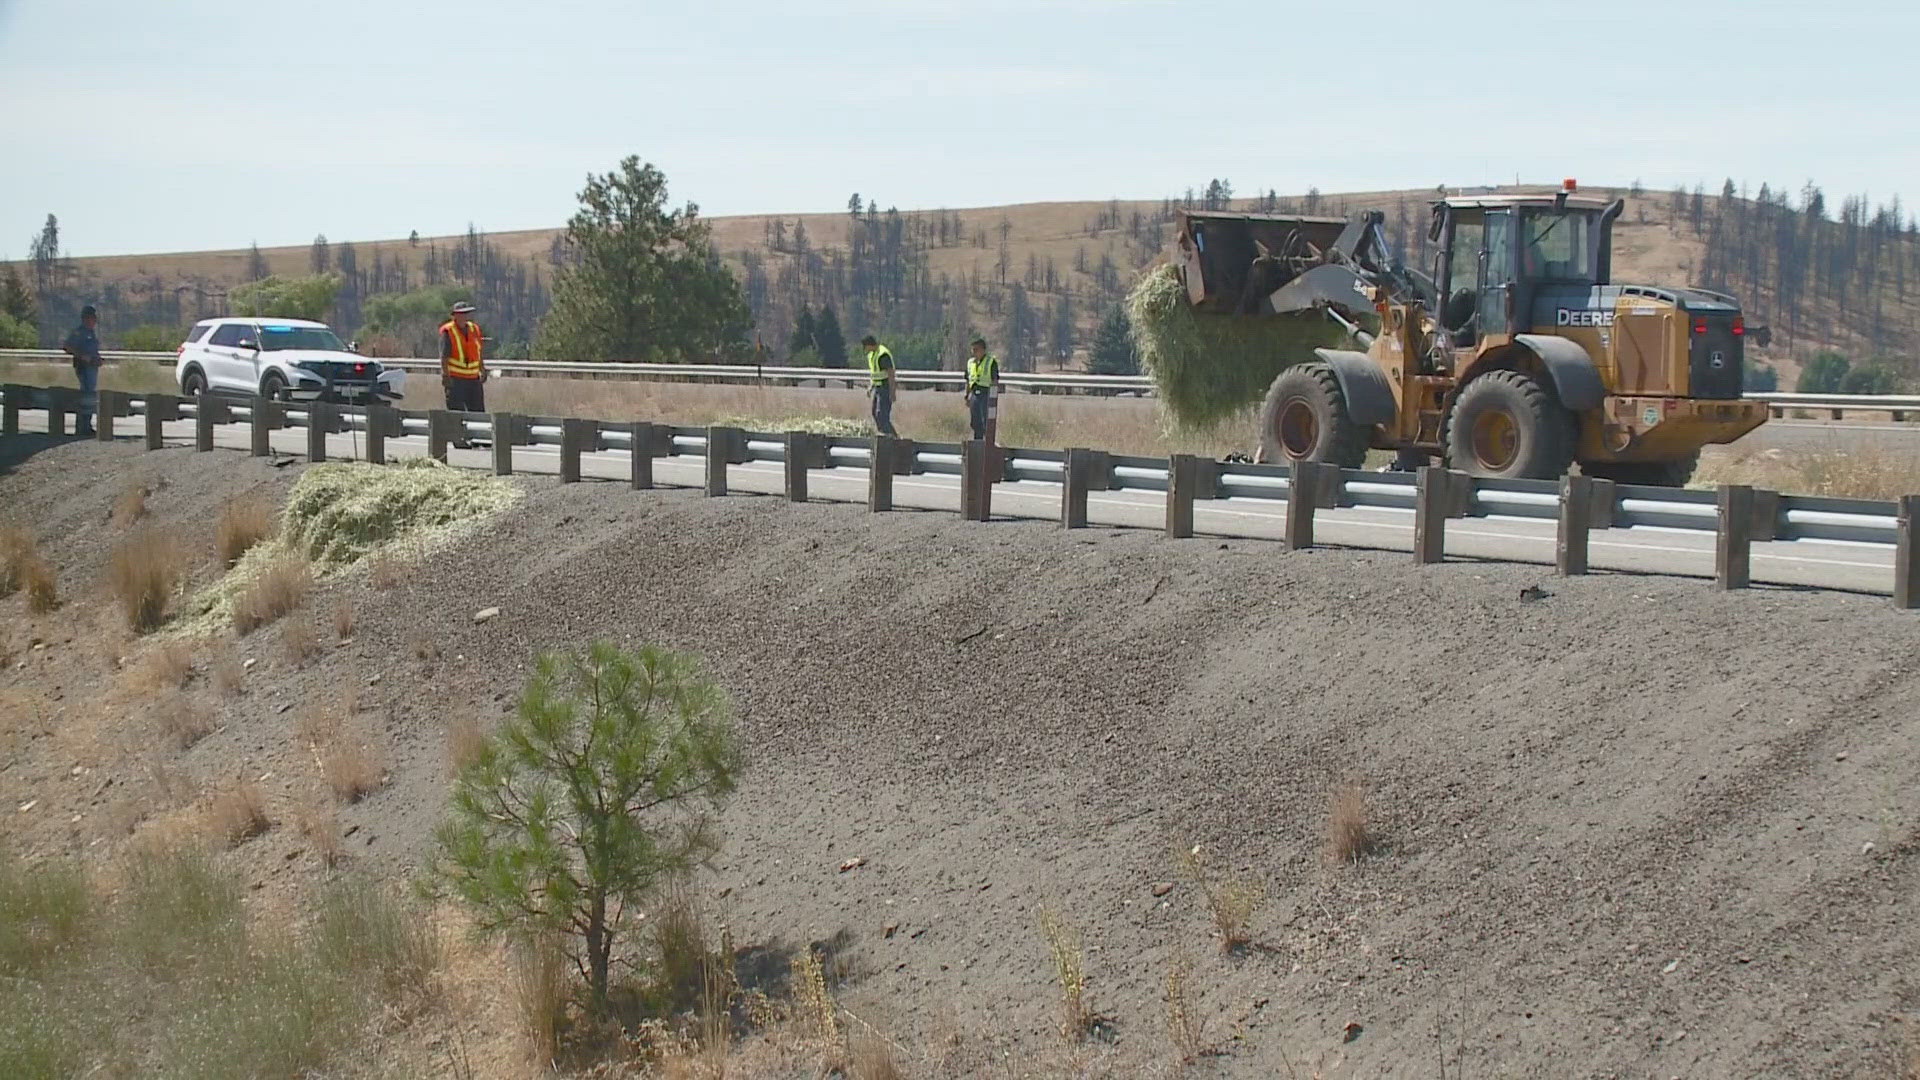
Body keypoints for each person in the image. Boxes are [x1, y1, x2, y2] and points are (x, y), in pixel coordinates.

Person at [439, 301, 485, 449]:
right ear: (455, 316)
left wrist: (482, 369)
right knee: (456, 411)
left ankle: (479, 438)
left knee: (478, 411)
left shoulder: (474, 329)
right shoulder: (448, 331)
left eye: (467, 313)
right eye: (462, 314)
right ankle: (457, 439)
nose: (466, 316)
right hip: (455, 379)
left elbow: (479, 351)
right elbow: (444, 357)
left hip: (473, 378)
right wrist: (446, 376)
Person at [61, 304, 103, 437]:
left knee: (90, 394)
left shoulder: (91, 333)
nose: (94, 321)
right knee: (86, 394)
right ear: (86, 318)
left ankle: (87, 425)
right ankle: (83, 426)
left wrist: (97, 359)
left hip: (92, 367)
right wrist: (83, 357)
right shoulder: (79, 332)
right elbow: (68, 346)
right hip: (83, 367)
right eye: (92, 318)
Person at [963, 337, 1000, 442]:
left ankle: (987, 444)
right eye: (972, 350)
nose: (974, 352)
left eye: (976, 350)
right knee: (975, 422)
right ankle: (977, 444)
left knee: (986, 422)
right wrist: (967, 396)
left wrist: (993, 398)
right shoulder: (970, 363)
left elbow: (995, 381)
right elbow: (968, 380)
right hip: (975, 395)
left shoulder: (991, 362)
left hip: (986, 394)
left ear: (983, 350)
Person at [861, 334, 898, 437]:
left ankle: (894, 439)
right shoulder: (872, 355)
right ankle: (884, 436)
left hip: (885, 388)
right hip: (878, 388)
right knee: (875, 413)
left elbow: (891, 374)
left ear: (870, 345)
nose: (865, 350)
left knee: (882, 415)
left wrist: (892, 392)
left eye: (866, 347)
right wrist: (870, 387)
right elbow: (875, 374)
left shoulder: (883, 355)